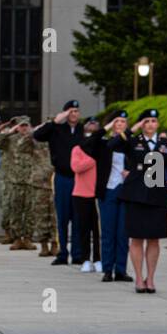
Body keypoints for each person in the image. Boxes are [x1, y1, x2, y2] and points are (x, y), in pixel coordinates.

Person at [110, 108, 167, 293]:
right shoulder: (133, 141)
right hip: (136, 195)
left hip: (158, 196)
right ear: (142, 124)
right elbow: (112, 145)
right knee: (137, 238)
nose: (150, 125)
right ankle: (139, 279)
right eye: (146, 121)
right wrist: (132, 129)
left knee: (154, 239)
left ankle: (151, 278)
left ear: (158, 124)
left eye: (153, 121)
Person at [32, 100, 85, 265]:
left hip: (80, 178)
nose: (74, 114)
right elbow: (37, 135)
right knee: (62, 217)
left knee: (78, 217)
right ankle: (63, 252)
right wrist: (55, 121)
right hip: (62, 177)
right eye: (70, 111)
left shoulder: (83, 130)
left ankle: (77, 253)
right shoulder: (55, 129)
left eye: (76, 111)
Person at [0, 115, 37, 249]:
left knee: (30, 211)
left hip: (31, 180)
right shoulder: (9, 141)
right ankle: (17, 238)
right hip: (14, 180)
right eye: (21, 126)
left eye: (26, 126)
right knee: (15, 211)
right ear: (17, 127)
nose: (24, 128)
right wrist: (5, 129)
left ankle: (28, 238)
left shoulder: (34, 140)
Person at [95, 110, 133, 282]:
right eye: (117, 121)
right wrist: (106, 128)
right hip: (108, 190)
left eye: (123, 122)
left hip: (125, 191)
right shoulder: (104, 143)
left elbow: (143, 166)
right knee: (108, 231)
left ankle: (121, 269)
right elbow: (89, 143)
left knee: (123, 233)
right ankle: (107, 269)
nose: (120, 125)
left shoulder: (131, 144)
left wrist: (130, 173)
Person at [69, 116, 103, 272]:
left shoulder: (102, 146)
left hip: (98, 192)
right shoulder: (78, 148)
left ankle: (98, 258)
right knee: (83, 229)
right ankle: (85, 259)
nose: (93, 125)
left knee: (98, 230)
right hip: (81, 194)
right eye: (90, 123)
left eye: (95, 123)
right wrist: (93, 159)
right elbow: (76, 167)